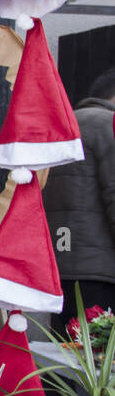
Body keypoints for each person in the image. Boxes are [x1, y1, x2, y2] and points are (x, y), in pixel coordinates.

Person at [43, 67, 115, 327]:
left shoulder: (63, 124)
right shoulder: (108, 124)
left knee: (65, 347)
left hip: (60, 268)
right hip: (100, 272)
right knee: (97, 349)